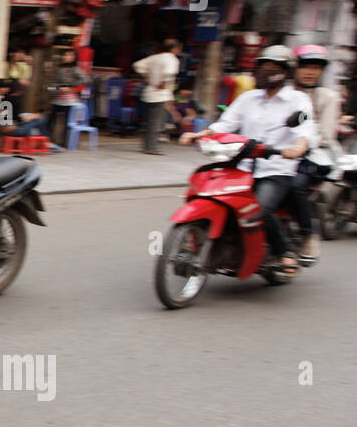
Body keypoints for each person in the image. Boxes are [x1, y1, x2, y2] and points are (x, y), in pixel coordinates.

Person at [180, 45, 316, 276]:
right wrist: (199, 134)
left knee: (259, 209)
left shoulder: (297, 100)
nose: (267, 72)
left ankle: (284, 252)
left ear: (285, 71)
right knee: (212, 193)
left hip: (275, 168)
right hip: (241, 165)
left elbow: (304, 129)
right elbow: (225, 124)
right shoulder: (248, 98)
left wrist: (297, 148)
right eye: (263, 67)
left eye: (273, 67)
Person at [290, 45, 341, 261]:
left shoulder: (327, 97)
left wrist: (299, 144)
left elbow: (325, 135)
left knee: (295, 186)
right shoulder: (283, 92)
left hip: (313, 155)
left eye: (316, 67)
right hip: (276, 150)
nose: (310, 72)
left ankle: (307, 235)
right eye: (305, 66)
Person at [134, 39, 181, 154]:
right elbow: (169, 73)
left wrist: (146, 78)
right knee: (156, 122)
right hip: (160, 94)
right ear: (174, 49)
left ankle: (146, 146)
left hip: (149, 92)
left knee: (149, 121)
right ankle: (152, 147)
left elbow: (137, 65)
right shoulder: (172, 59)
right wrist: (163, 83)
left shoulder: (155, 57)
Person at [0, 79, 62, 150]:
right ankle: (47, 142)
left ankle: (42, 142)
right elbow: (20, 119)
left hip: (6, 129)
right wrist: (33, 116)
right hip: (14, 131)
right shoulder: (15, 100)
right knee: (40, 119)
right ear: (18, 89)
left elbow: (5, 119)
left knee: (32, 123)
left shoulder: (4, 100)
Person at [49, 48, 89, 147]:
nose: (67, 57)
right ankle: (50, 140)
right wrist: (58, 87)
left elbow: (86, 80)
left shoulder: (75, 69)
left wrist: (72, 86)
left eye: (70, 55)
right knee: (51, 120)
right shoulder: (58, 69)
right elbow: (50, 85)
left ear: (74, 58)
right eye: (65, 55)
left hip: (70, 100)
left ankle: (66, 143)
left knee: (68, 122)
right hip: (57, 98)